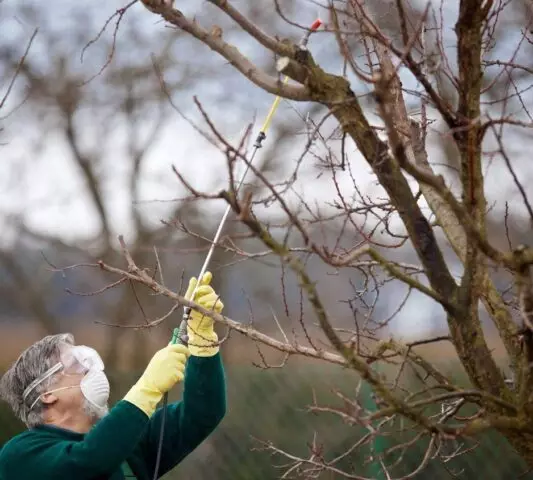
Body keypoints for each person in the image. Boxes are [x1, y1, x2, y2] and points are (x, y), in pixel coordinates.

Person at [0, 272, 226, 480]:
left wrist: (202, 341)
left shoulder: (129, 441)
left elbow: (203, 413)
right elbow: (88, 462)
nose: (91, 370)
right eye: (76, 364)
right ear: (46, 394)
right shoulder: (20, 456)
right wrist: (147, 389)